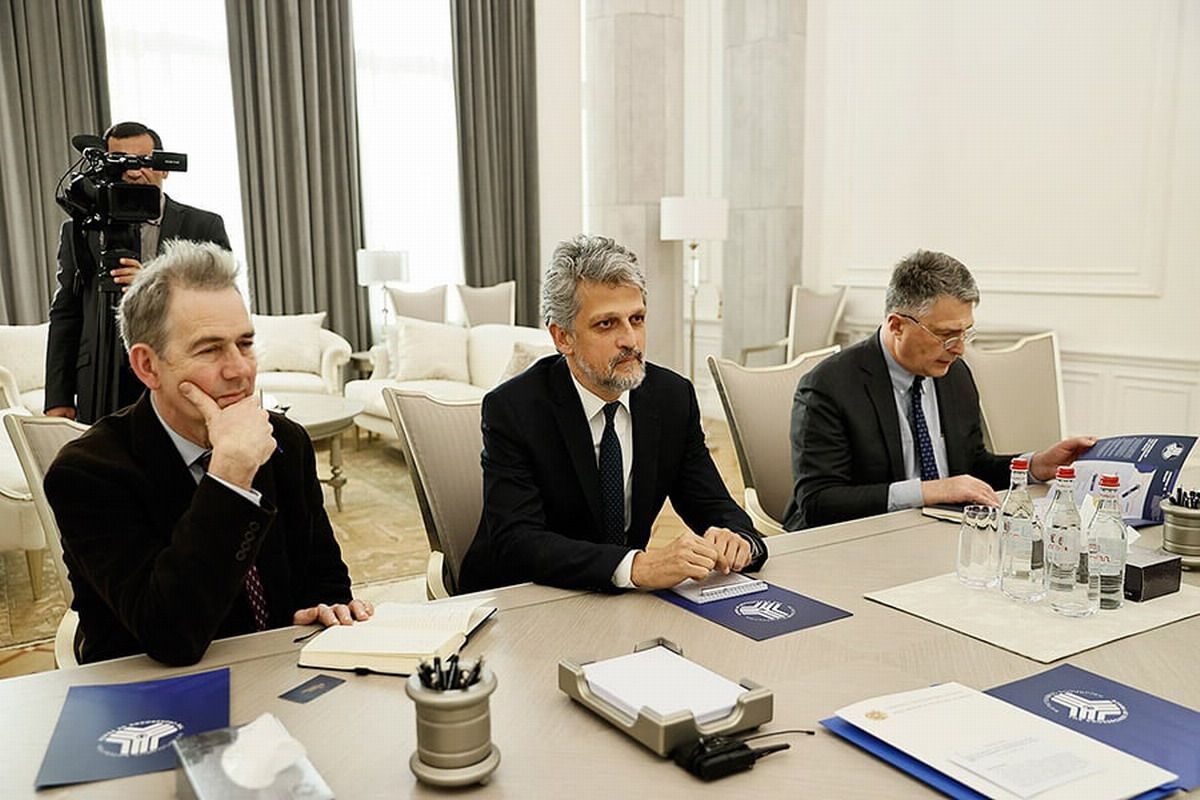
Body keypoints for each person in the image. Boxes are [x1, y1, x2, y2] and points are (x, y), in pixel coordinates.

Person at [44, 241, 370, 665]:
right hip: (155, 690)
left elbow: (326, 579)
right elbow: (170, 636)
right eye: (210, 349)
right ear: (147, 366)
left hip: (278, 674)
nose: (240, 369)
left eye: (245, 343)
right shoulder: (87, 473)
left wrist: (324, 610)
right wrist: (230, 476)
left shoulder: (285, 442)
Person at [458, 234, 768, 593]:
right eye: (606, 324)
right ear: (562, 338)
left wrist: (740, 540)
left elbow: (714, 505)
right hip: (519, 598)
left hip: (619, 602)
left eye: (637, 319)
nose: (630, 340)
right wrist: (634, 566)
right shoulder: (514, 409)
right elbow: (518, 543)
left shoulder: (672, 397)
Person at [784, 250, 1095, 531]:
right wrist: (929, 491)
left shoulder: (954, 373)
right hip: (860, 541)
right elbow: (819, 502)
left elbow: (972, 466)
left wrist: (1035, 466)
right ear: (897, 325)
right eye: (946, 335)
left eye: (965, 333)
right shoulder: (829, 386)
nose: (959, 348)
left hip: (940, 532)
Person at [45, 121, 231, 424]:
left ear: (164, 168)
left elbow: (222, 301)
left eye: (143, 161)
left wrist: (153, 283)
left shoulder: (203, 226)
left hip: (176, 371)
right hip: (97, 378)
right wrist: (58, 397)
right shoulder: (79, 230)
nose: (133, 172)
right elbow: (67, 313)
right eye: (121, 163)